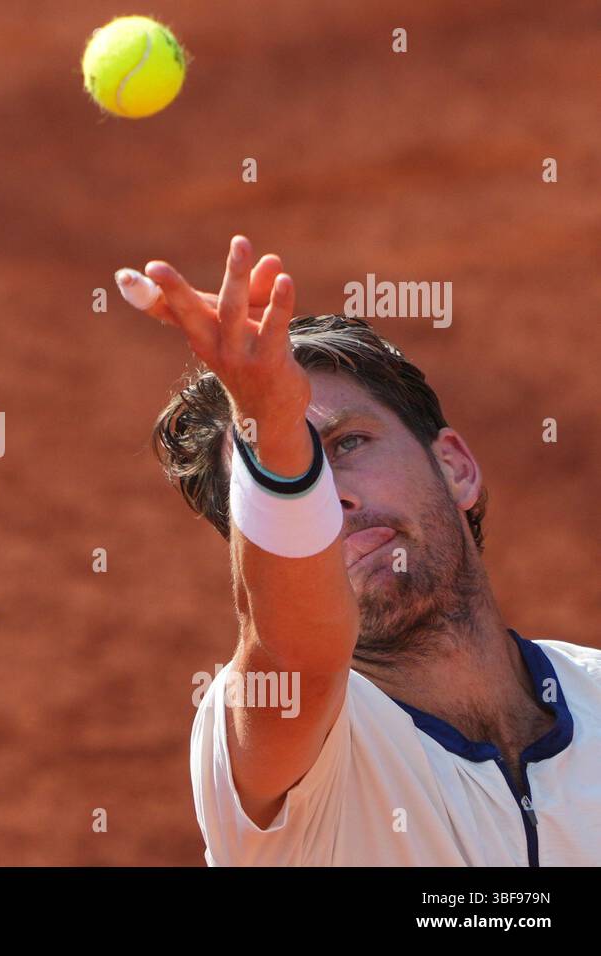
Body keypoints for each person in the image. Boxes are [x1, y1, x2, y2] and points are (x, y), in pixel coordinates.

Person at [116, 236, 601, 865]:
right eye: (290, 479)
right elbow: (296, 647)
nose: (330, 500)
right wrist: (270, 423)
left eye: (347, 445)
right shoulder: (278, 745)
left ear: (454, 466)